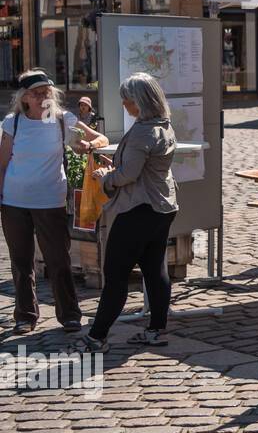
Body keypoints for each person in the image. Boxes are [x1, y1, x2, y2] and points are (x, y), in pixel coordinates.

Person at [77, 74, 179, 352]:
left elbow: (128, 176)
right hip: (162, 206)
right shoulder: (163, 126)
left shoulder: (143, 132)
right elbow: (142, 167)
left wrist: (106, 176)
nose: (123, 104)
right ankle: (156, 330)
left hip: (138, 209)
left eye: (127, 99)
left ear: (141, 101)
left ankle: (96, 337)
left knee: (116, 274)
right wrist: (118, 166)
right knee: (155, 269)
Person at [0, 70, 107, 334]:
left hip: (50, 201)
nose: (44, 97)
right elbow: (2, 164)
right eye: (37, 93)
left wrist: (87, 146)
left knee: (58, 259)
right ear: (24, 98)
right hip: (14, 201)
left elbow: (99, 138)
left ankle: (70, 315)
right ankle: (25, 316)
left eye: (47, 91)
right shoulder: (12, 123)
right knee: (21, 261)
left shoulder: (62, 120)